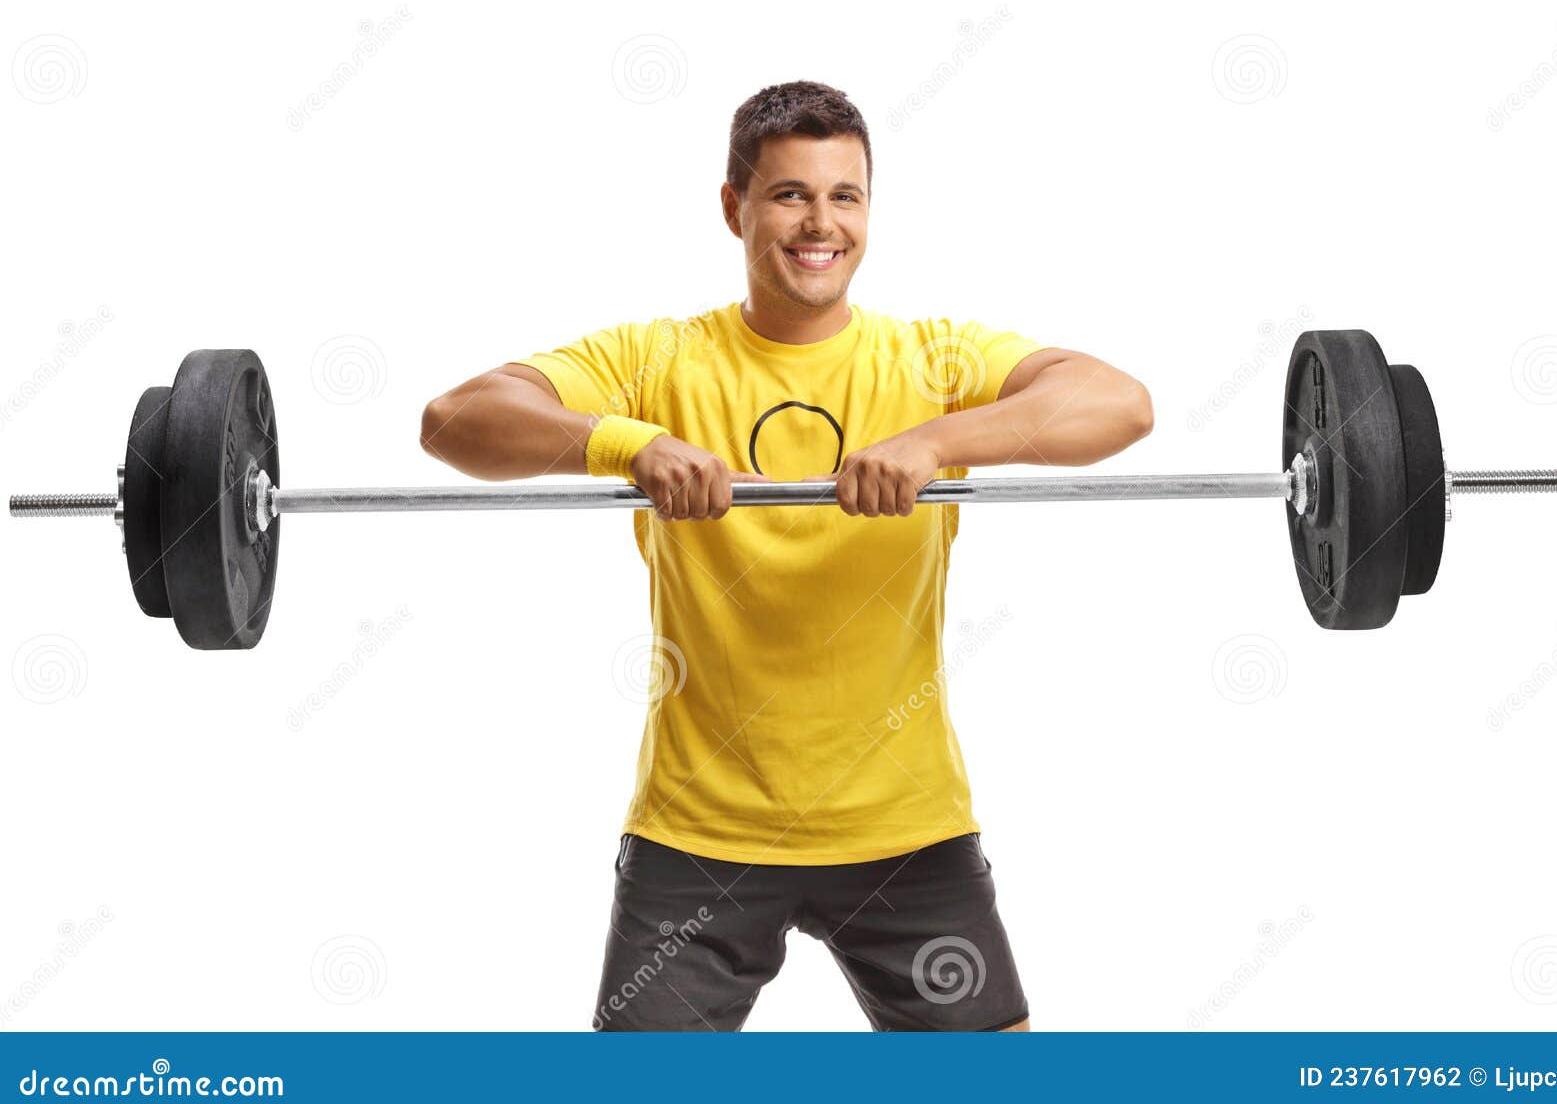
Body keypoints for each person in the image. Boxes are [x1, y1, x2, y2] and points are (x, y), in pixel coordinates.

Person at [420, 80, 1153, 1031]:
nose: (821, 223)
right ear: (734, 206)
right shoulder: (660, 362)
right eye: (790, 194)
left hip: (904, 831)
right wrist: (628, 445)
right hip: (701, 834)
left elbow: (1120, 403)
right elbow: (455, 420)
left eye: (845, 195)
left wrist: (933, 442)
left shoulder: (929, 362)